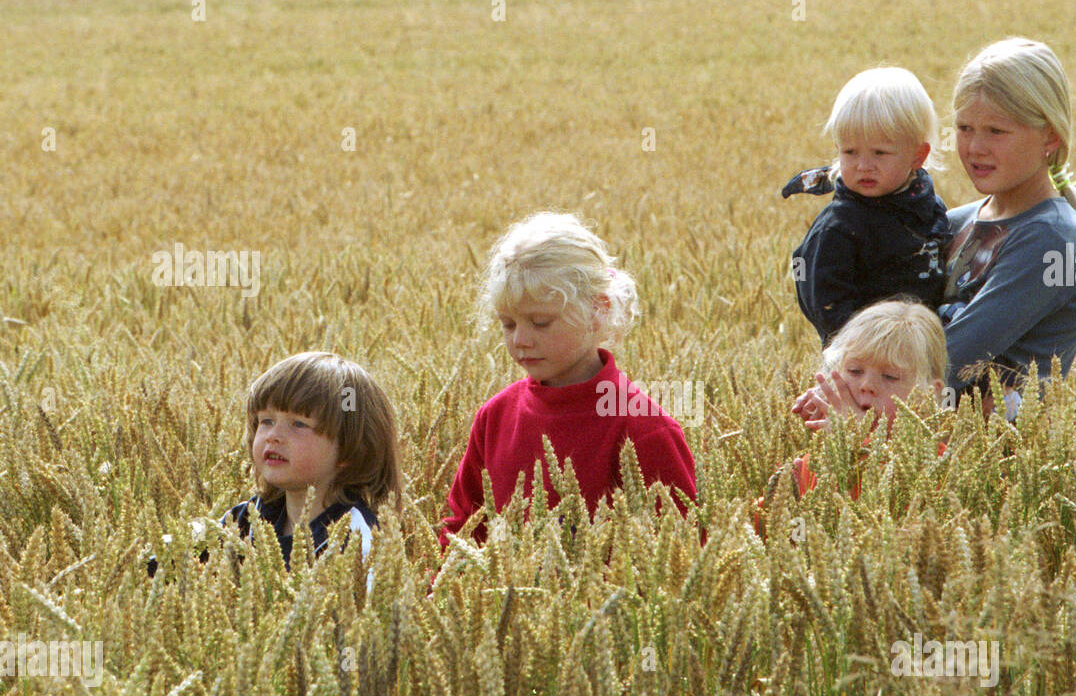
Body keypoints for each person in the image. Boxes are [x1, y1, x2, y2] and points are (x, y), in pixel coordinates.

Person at [442, 212, 696, 545]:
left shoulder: (643, 430)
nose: (520, 339)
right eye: (508, 324)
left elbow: (683, 555)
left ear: (598, 311)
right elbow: (463, 532)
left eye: (540, 322)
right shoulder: (495, 417)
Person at [939, 37, 1076, 418]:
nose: (975, 147)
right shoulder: (955, 222)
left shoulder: (1054, 240)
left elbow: (951, 359)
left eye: (996, 132)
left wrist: (856, 389)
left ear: (1050, 135)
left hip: (999, 470)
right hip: (924, 453)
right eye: (965, 128)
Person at [785, 67, 952, 347]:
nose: (863, 165)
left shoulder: (929, 207)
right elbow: (824, 303)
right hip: (865, 360)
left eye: (880, 153)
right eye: (850, 152)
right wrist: (865, 351)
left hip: (924, 350)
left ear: (918, 155)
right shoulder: (839, 226)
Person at [756, 299, 947, 533]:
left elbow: (895, 528)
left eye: (889, 377)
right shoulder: (817, 459)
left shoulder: (938, 463)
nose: (867, 385)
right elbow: (754, 534)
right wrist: (780, 496)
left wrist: (857, 444)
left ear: (929, 394)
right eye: (854, 371)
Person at [225, 351, 401, 569]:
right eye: (266, 421)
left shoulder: (359, 542)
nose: (273, 435)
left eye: (298, 424)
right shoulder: (245, 519)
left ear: (348, 449)